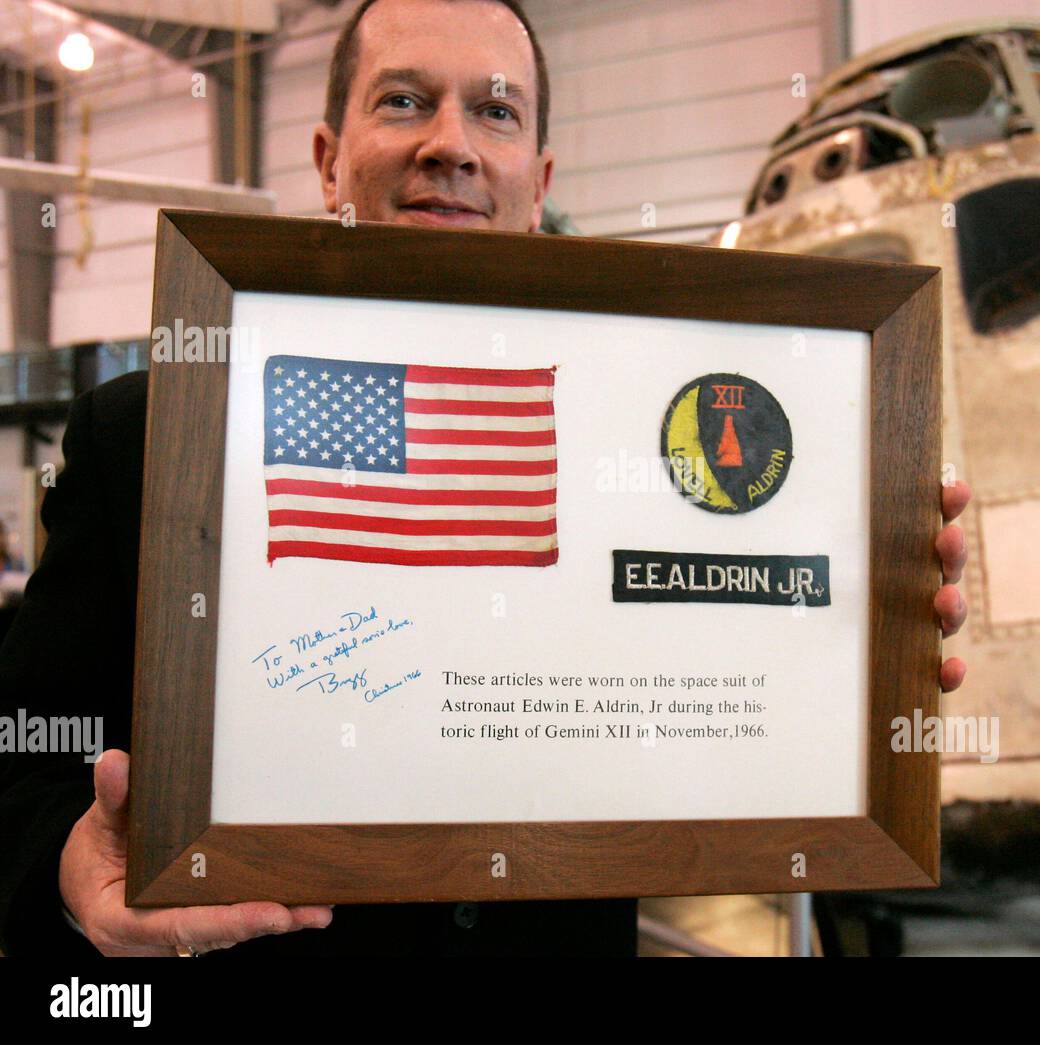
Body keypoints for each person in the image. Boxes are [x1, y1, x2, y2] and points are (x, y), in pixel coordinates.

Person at [0, 0, 971, 958]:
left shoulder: (637, 440)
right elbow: (22, 754)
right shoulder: (151, 432)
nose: (450, 145)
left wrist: (856, 626)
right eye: (404, 102)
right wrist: (64, 864)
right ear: (327, 157)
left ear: (537, 179)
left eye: (496, 111)